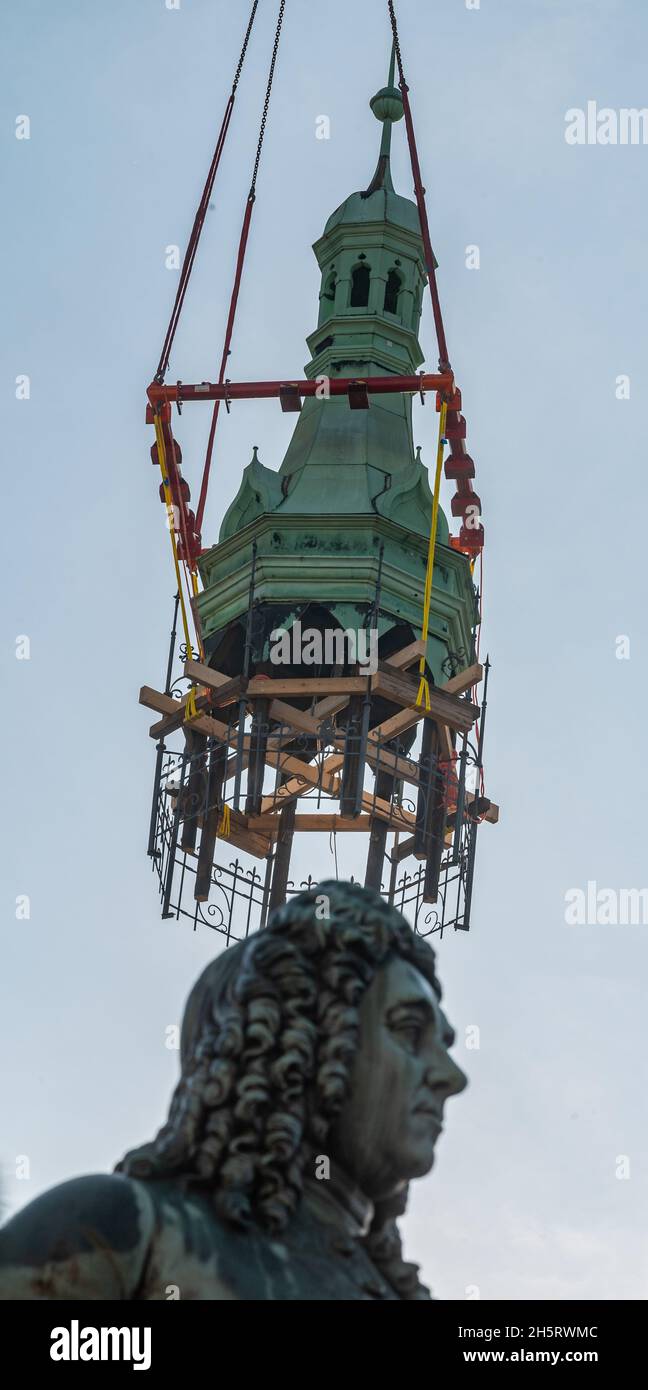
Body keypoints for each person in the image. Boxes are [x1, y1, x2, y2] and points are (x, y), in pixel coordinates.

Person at [0, 881, 466, 1300]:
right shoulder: (124, 1230)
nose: (452, 1077)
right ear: (307, 1042)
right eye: (408, 1031)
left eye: (442, 1044)